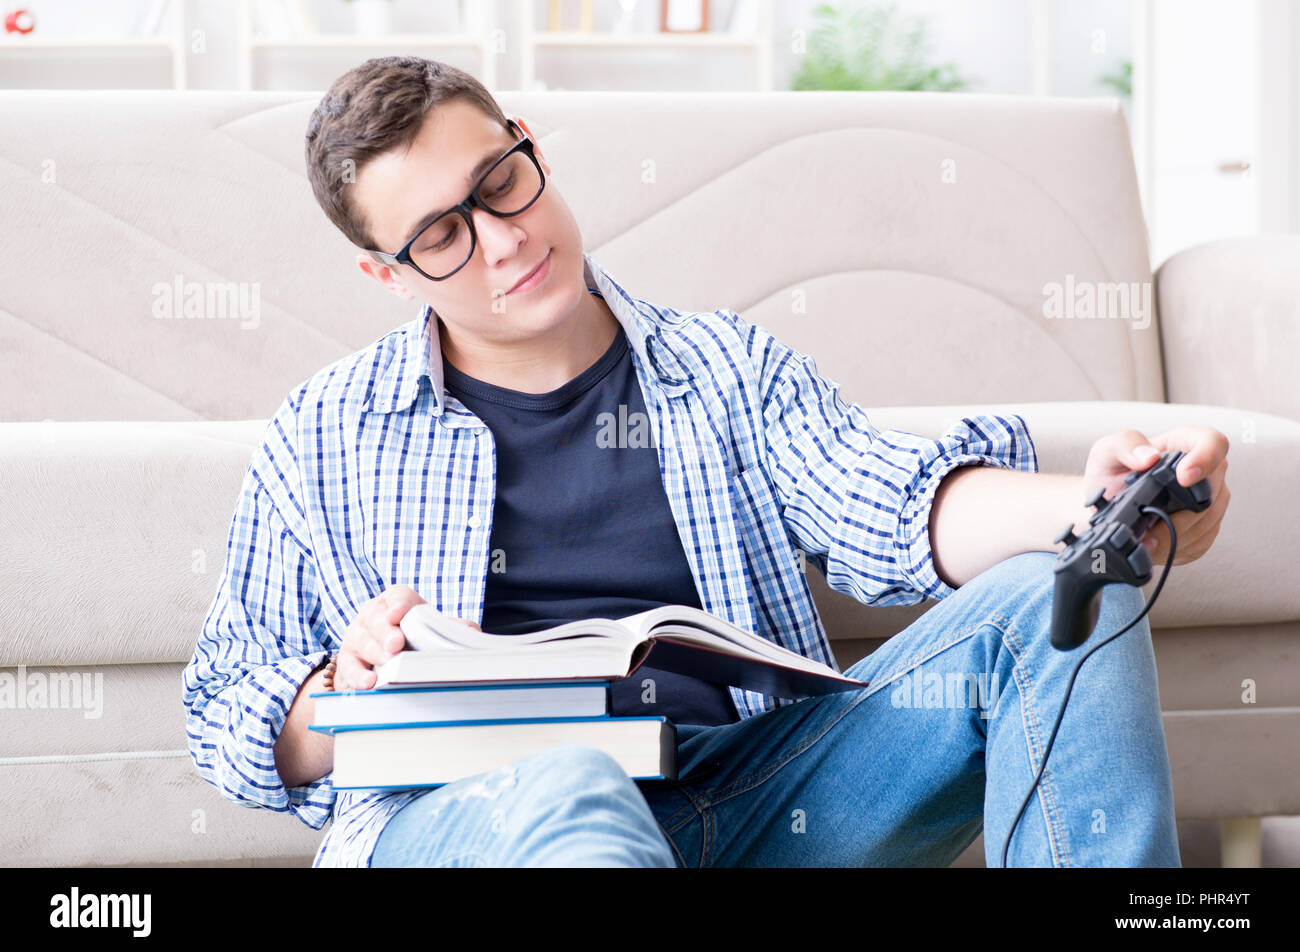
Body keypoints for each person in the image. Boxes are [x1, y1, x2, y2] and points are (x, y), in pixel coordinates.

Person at [181, 56, 1231, 868]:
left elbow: (893, 504)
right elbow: (224, 706)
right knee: (571, 780)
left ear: (527, 146)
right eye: (441, 236)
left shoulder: (723, 366)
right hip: (486, 821)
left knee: (1064, 592)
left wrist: (1099, 505)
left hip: (753, 798)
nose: (502, 239)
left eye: (499, 182)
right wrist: (344, 691)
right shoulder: (324, 431)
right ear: (388, 274)